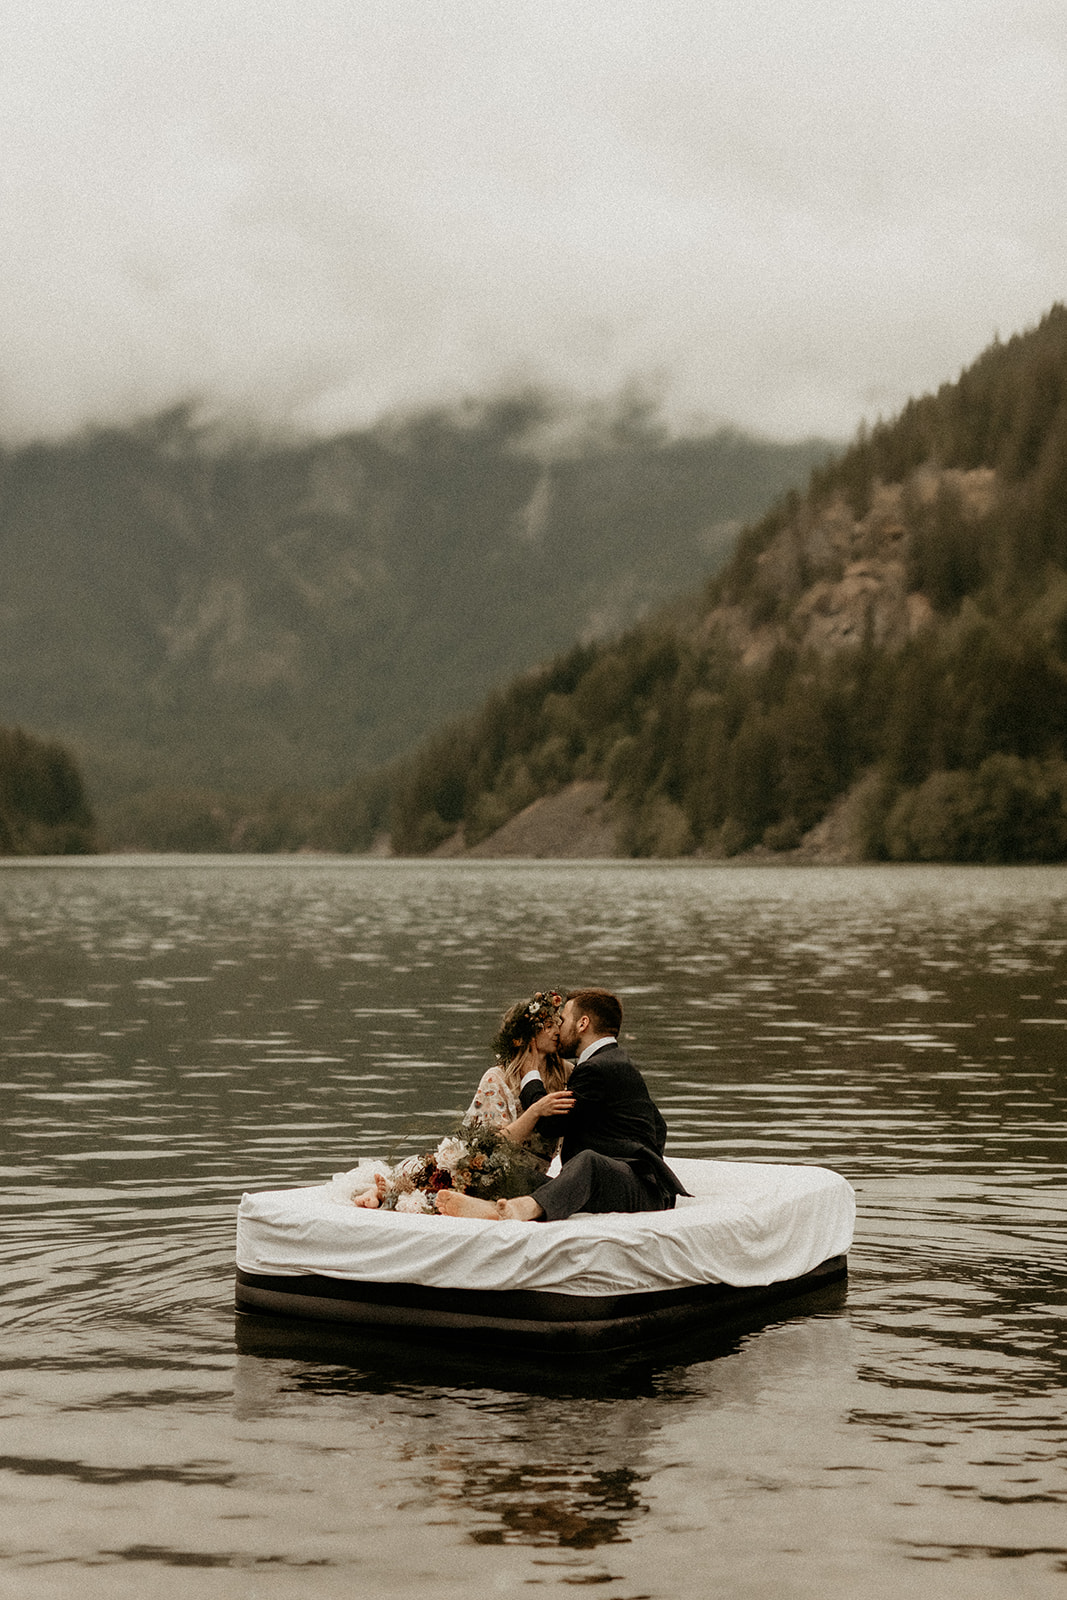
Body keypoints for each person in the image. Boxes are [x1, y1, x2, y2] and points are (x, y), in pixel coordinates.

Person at [436, 987, 686, 1222]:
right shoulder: (608, 1064)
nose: (558, 1029)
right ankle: (496, 1207)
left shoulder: (599, 1067)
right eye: (551, 1024)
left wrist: (635, 1162)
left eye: (562, 1020)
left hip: (637, 1188)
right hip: (596, 1185)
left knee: (590, 1162)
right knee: (496, 1175)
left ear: (583, 1023)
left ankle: (523, 1209)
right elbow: (659, 1125)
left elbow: (551, 1124)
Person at [340, 989, 574, 1212]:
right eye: (548, 1026)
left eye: (557, 1024)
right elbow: (494, 1145)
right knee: (444, 1180)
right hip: (495, 1167)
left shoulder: (565, 1073)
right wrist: (535, 1111)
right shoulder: (498, 1077)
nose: (557, 1031)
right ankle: (385, 1192)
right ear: (527, 1036)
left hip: (534, 1171)